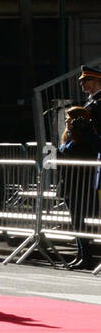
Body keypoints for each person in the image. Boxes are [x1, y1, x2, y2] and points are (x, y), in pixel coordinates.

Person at [60, 103, 100, 269]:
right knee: (75, 221)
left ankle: (86, 256)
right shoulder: (69, 137)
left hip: (82, 184)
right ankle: (80, 254)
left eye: (70, 120)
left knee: (79, 221)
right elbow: (63, 151)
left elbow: (86, 150)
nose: (68, 123)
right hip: (69, 183)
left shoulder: (86, 137)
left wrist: (85, 131)